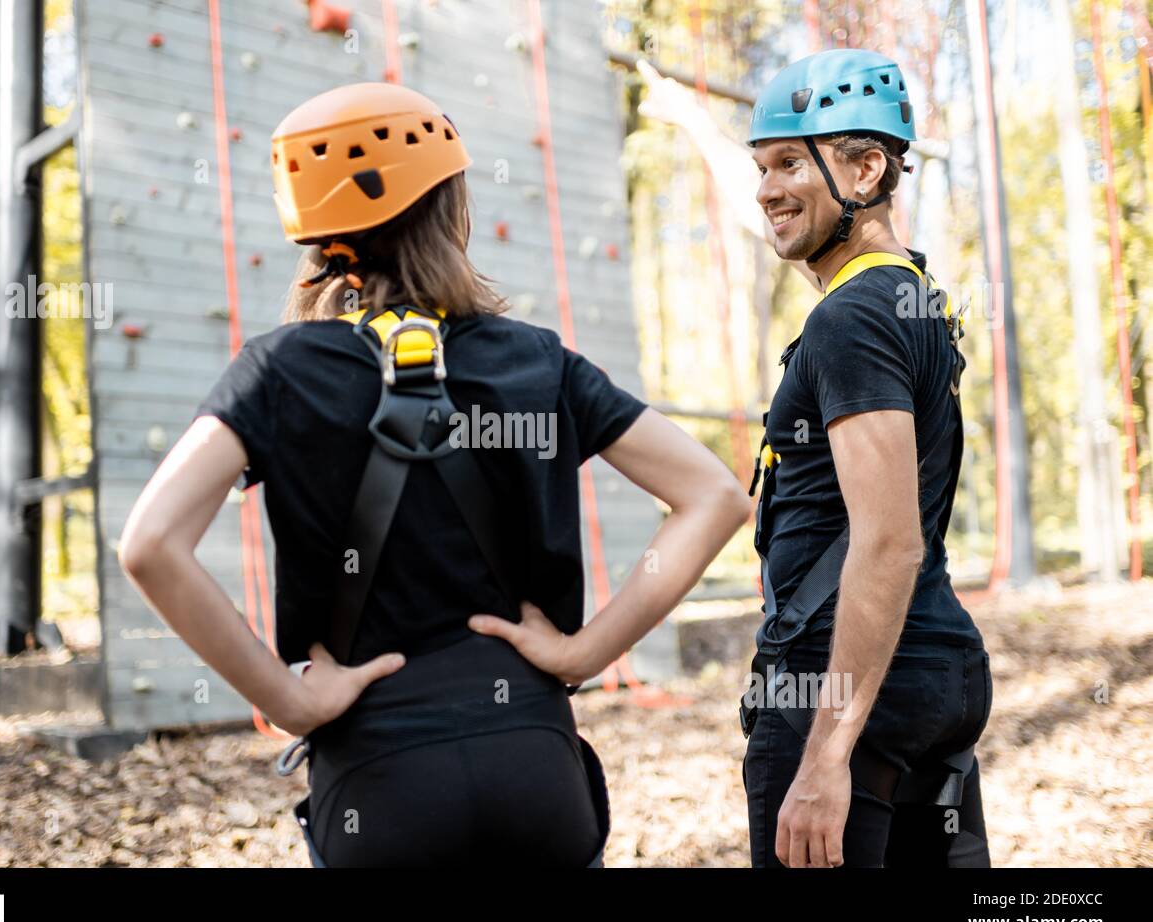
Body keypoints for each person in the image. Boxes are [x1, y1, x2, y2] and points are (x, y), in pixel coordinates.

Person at [117, 82, 751, 867]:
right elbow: (715, 495)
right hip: (537, 771)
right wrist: (588, 652)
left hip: (380, 787)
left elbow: (150, 544)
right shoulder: (538, 361)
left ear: (315, 237)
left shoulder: (278, 373)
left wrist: (285, 699)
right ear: (450, 209)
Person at [641, 49, 993, 867]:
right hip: (936, 672)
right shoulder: (902, 292)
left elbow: (890, 539)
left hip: (839, 682)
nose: (767, 187)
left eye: (790, 160)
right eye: (763, 164)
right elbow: (780, 215)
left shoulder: (850, 321)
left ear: (868, 167)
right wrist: (693, 120)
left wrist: (828, 754)